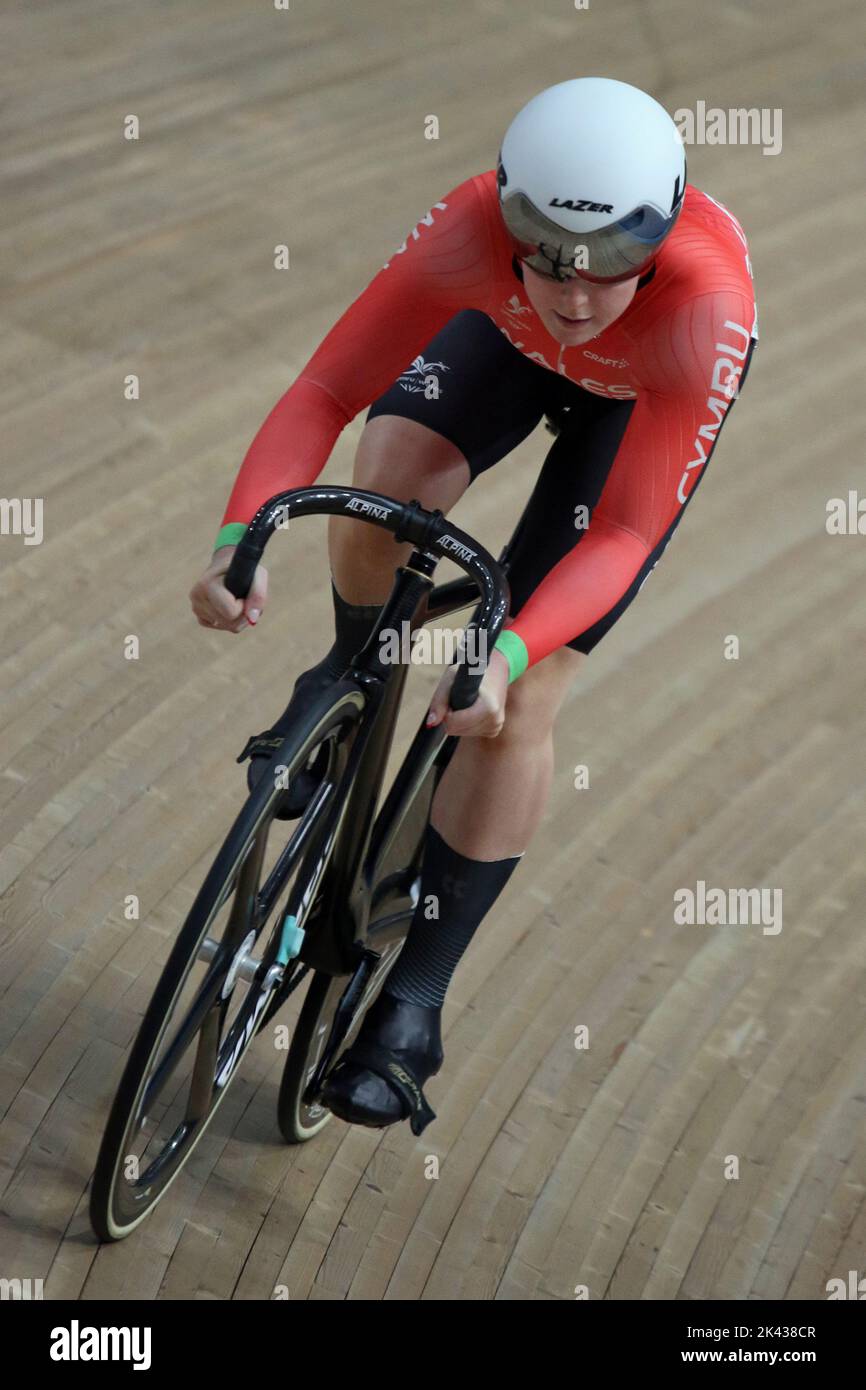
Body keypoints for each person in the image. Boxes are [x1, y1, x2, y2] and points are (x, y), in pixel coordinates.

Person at [189, 77, 758, 1135]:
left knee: (527, 691)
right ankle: (351, 668)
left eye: (606, 268)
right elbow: (323, 392)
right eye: (545, 254)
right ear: (506, 216)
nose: (578, 295)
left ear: (659, 238)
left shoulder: (702, 306)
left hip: (636, 401)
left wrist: (503, 653)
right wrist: (239, 536)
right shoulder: (465, 231)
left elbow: (623, 535)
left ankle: (415, 1000)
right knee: (386, 468)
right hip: (502, 342)